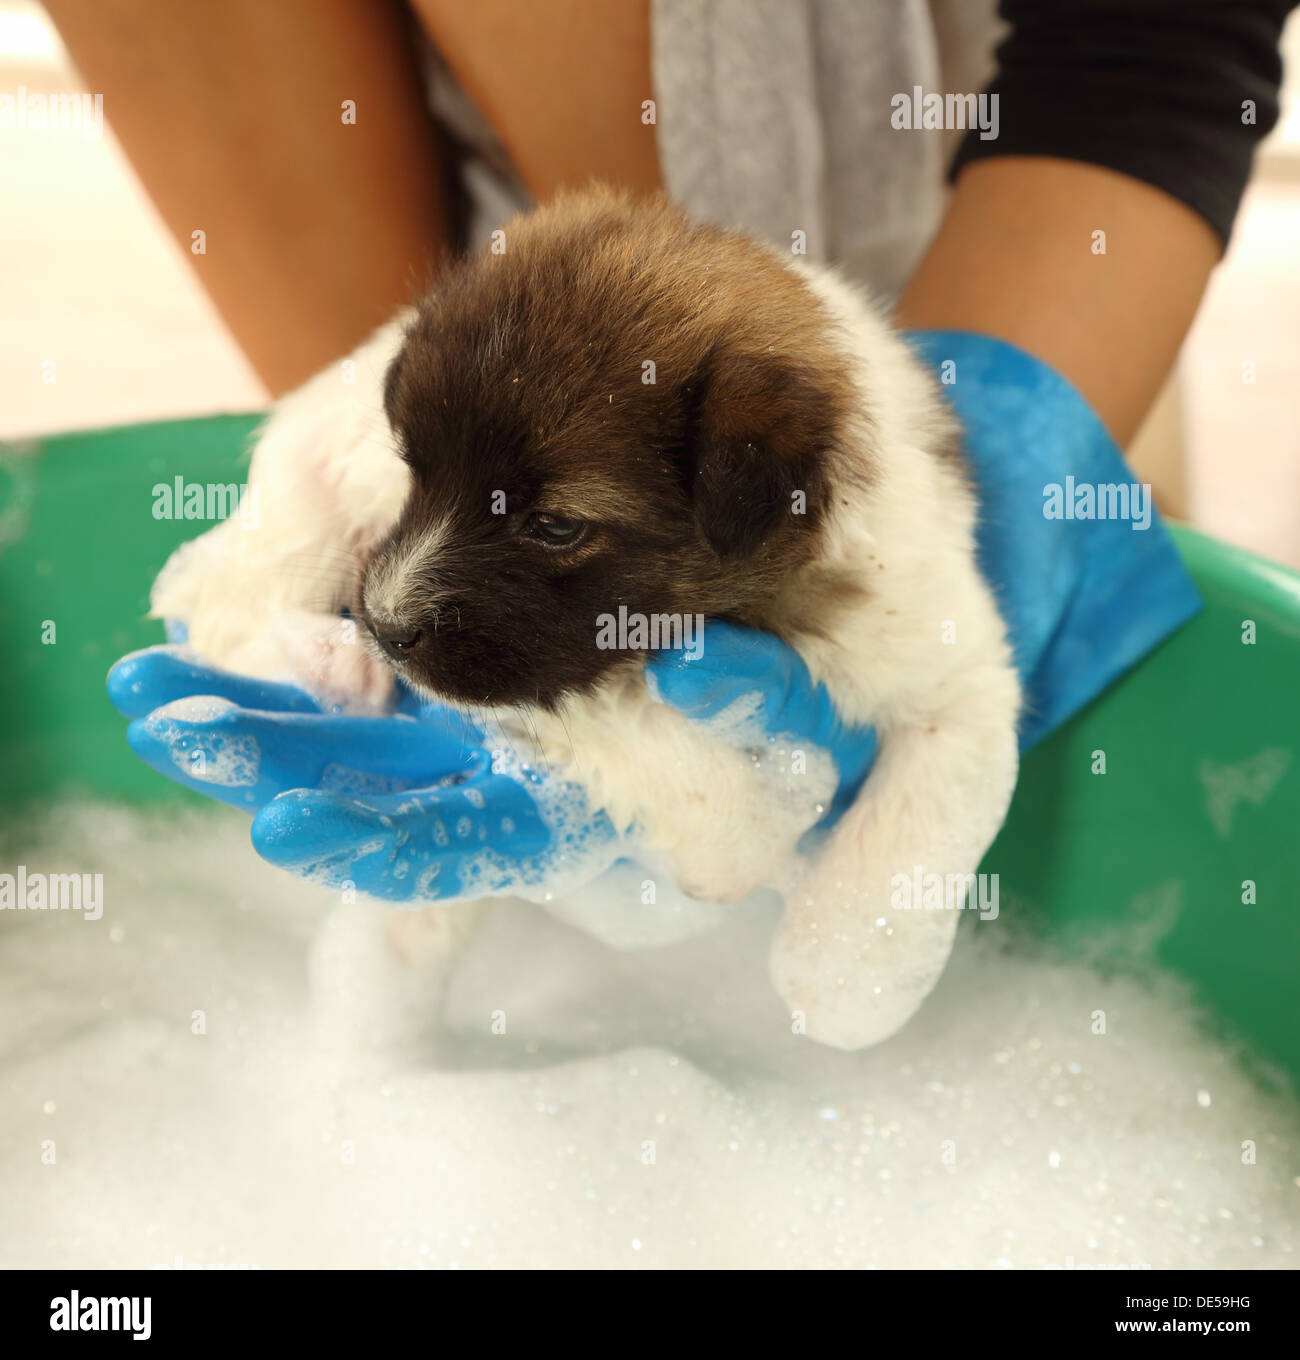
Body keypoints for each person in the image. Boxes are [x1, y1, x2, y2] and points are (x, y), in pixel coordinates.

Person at [71, 0, 1292, 896]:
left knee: (1039, 806)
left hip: (990, 220)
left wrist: (1004, 444)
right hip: (525, 289)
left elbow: (1149, 52)